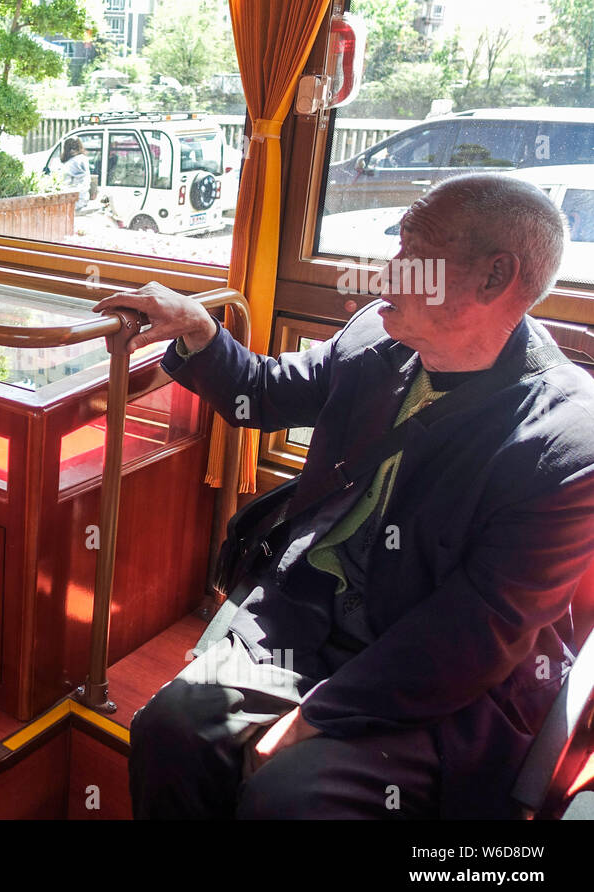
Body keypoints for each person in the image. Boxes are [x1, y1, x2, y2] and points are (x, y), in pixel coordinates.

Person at [94, 173, 594, 819]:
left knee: (290, 799)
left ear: (494, 278)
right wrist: (197, 328)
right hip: (305, 620)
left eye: (412, 251)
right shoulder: (375, 339)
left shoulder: (564, 443)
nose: (384, 269)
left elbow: (472, 637)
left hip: (440, 681)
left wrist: (314, 718)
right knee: (171, 725)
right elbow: (267, 393)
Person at [60, 137, 91, 208]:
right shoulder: (83, 159)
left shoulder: (72, 163)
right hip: (84, 197)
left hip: (74, 201)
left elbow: (65, 184)